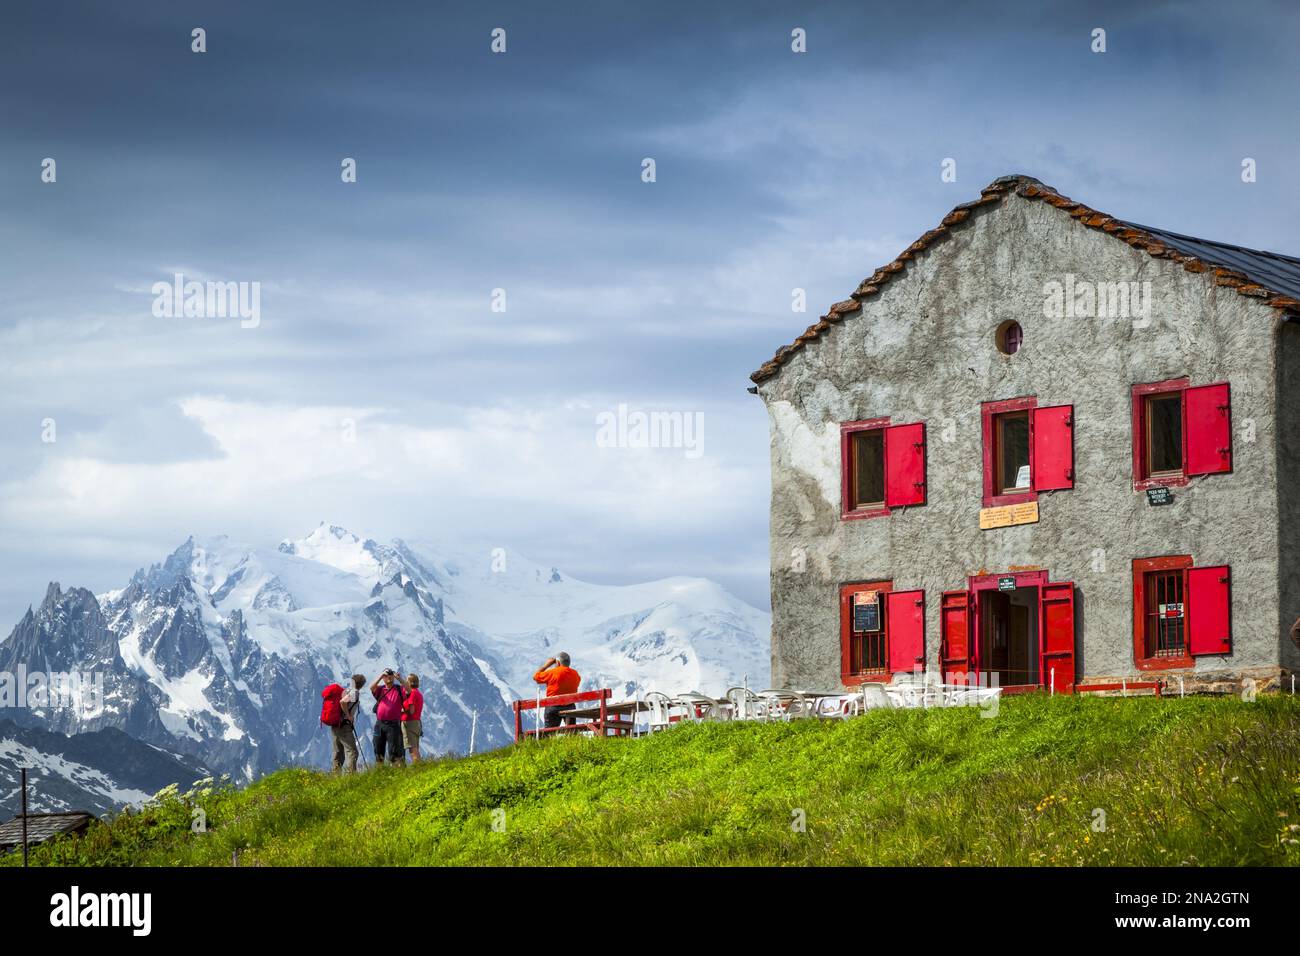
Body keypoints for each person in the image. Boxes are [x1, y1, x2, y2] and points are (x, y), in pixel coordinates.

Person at [533, 652, 581, 729]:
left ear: (557, 662)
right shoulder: (575, 674)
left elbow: (535, 677)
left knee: (549, 733)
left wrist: (546, 665)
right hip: (570, 706)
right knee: (572, 731)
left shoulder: (552, 672)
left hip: (553, 706)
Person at [370, 669, 407, 766]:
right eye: (386, 675)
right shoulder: (380, 689)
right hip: (379, 724)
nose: (389, 677)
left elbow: (409, 690)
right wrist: (380, 677)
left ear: (393, 677)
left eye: (391, 675)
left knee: (393, 750)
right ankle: (380, 770)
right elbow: (372, 687)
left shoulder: (399, 689)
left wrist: (400, 679)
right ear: (383, 678)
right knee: (378, 748)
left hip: (393, 724)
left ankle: (395, 769)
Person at [333, 673, 366, 773]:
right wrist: (348, 715)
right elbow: (343, 702)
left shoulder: (346, 690)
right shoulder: (354, 692)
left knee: (338, 752)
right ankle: (351, 776)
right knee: (353, 751)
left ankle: (335, 775)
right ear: (362, 684)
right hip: (344, 725)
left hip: (335, 724)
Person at [401, 673, 424, 763]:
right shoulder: (418, 693)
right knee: (415, 747)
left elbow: (411, 710)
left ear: (409, 682)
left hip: (410, 723)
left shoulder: (413, 694)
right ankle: (419, 766)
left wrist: (402, 711)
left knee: (412, 748)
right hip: (417, 722)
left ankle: (418, 767)